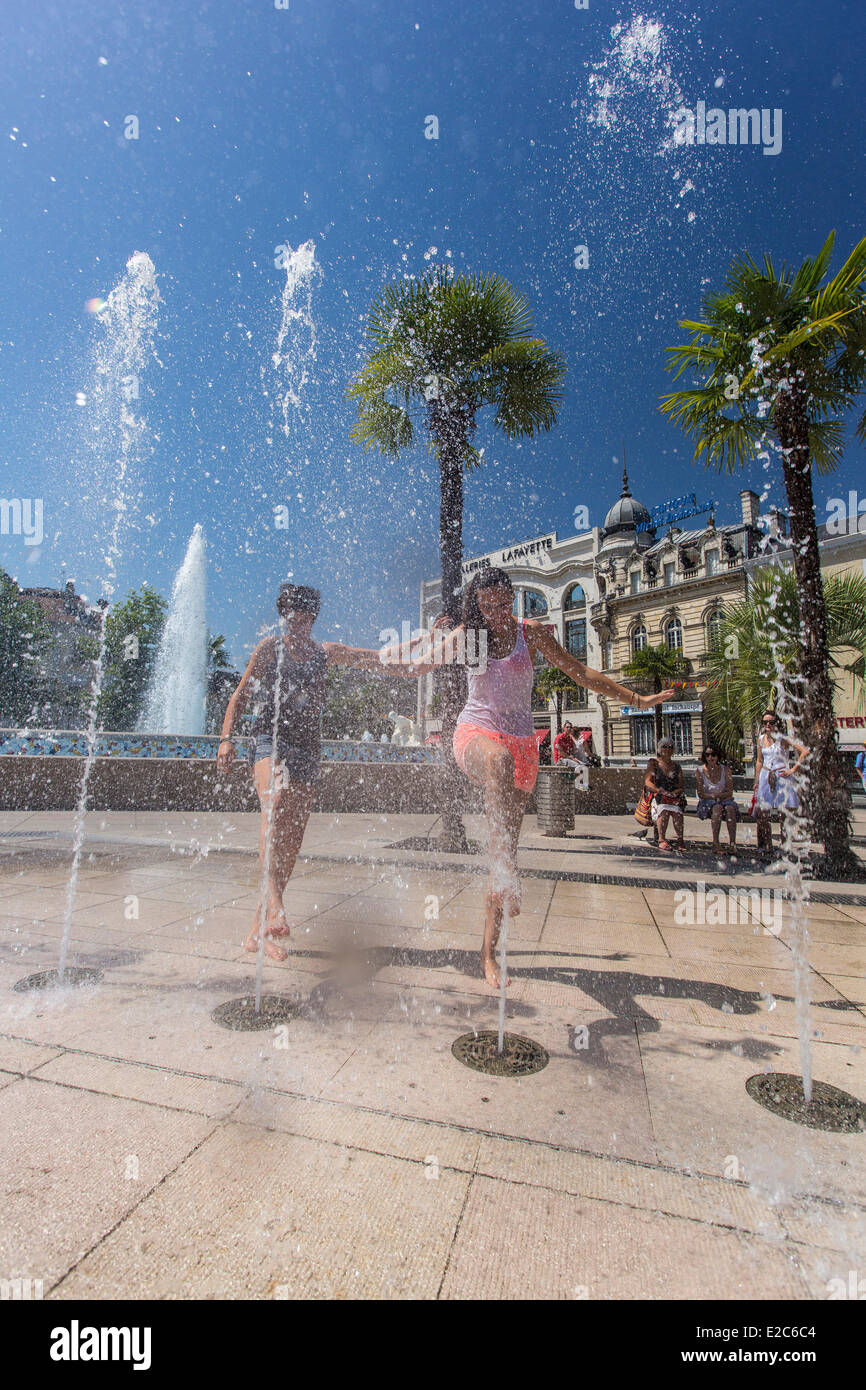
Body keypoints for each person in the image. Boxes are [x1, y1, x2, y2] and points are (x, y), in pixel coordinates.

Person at [427, 568, 675, 987]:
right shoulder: (469, 636)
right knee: (499, 782)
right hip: (477, 734)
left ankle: (488, 952)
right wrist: (425, 642)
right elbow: (417, 662)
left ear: (513, 599)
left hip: (525, 747)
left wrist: (636, 698)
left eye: (502, 604)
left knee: (506, 852)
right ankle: (506, 867)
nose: (495, 613)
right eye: (486, 606)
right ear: (477, 605)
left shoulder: (533, 633)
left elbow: (581, 674)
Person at [216, 583, 426, 961]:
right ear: (284, 618)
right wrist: (226, 738)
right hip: (269, 740)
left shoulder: (324, 653)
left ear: (313, 619)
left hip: (307, 749)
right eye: (291, 620)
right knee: (274, 805)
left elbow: (377, 658)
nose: (297, 626)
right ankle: (276, 904)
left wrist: (419, 642)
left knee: (293, 838)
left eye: (304, 620)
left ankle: (256, 933)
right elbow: (241, 694)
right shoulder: (269, 650)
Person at [752, 709, 808, 856]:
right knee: (763, 813)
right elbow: (759, 760)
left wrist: (793, 769)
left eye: (771, 721)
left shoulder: (783, 738)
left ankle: (785, 845)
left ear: (777, 723)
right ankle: (768, 844)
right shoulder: (761, 739)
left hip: (782, 775)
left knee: (785, 814)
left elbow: (804, 752)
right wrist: (756, 781)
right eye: (765, 722)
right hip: (765, 775)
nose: (768, 724)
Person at [646, 738, 686, 851]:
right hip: (658, 796)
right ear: (660, 748)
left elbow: (681, 785)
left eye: (670, 747)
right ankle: (661, 839)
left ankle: (680, 840)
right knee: (663, 811)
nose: (667, 749)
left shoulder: (677, 766)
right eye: (664, 746)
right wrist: (660, 791)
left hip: (673, 796)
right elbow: (647, 781)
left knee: (677, 812)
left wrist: (675, 792)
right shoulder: (654, 763)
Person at [696, 744, 737, 852]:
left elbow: (730, 791)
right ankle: (715, 842)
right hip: (707, 802)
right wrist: (716, 797)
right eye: (707, 755)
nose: (710, 758)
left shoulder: (726, 770)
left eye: (713, 755)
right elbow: (701, 794)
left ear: (718, 756)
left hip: (723, 800)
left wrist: (718, 797)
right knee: (717, 808)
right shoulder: (700, 771)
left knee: (730, 809)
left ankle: (733, 843)